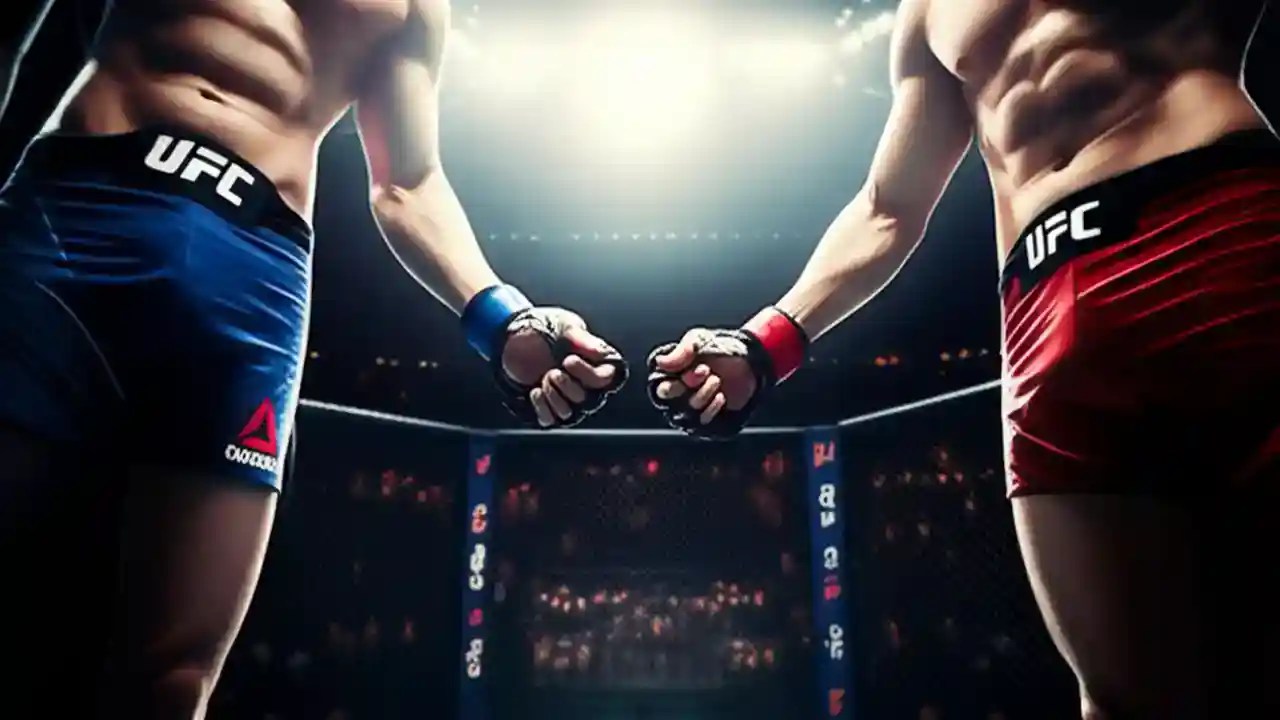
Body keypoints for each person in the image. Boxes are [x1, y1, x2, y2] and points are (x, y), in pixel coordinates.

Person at [648, 0, 1277, 717]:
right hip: (1043, 302)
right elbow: (890, 208)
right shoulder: (926, 13)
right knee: (1122, 695)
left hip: (1211, 223)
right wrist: (762, 346)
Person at [0, 0, 626, 715]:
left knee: (169, 679)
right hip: (74, 208)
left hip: (251, 270)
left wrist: (504, 317)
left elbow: (408, 181)